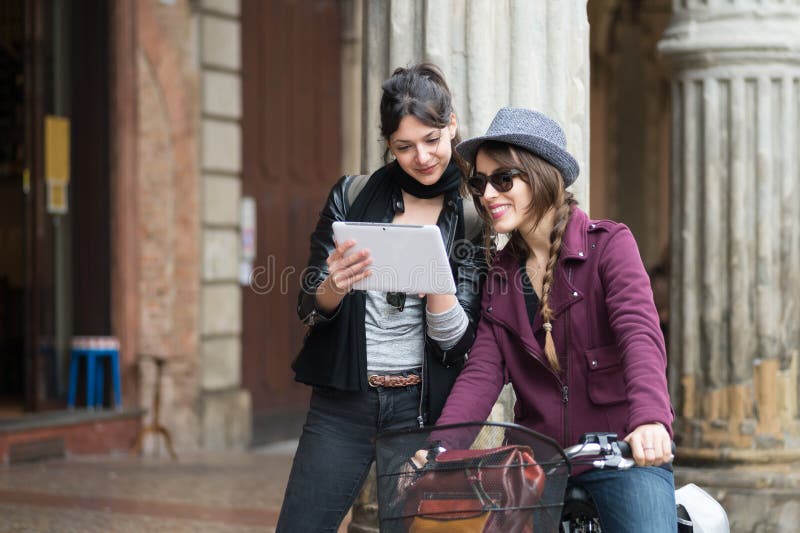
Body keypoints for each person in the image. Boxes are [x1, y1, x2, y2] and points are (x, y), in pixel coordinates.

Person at [429, 107, 677, 532]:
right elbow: (482, 372)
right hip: (534, 466)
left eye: (503, 179)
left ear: (541, 176)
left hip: (620, 455)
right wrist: (439, 447)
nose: (487, 194)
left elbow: (639, 336)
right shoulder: (501, 274)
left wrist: (650, 420)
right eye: (479, 182)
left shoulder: (609, 246)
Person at [276, 63, 487, 532]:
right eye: (404, 146)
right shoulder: (351, 196)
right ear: (388, 145)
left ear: (452, 125)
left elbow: (458, 346)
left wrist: (438, 285)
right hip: (343, 403)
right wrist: (334, 285)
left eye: (432, 139)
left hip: (419, 410)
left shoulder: (472, 218)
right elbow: (308, 305)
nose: (423, 157)